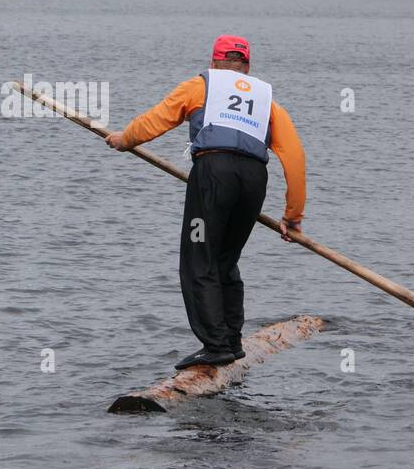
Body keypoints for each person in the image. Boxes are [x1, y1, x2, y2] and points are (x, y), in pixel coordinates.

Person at [105, 35, 306, 369]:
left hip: (214, 175)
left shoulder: (200, 86)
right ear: (248, 66)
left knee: (200, 257)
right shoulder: (267, 100)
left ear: (214, 63)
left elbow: (155, 121)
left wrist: (124, 140)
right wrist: (293, 215)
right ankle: (231, 340)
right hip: (254, 180)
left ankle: (215, 346)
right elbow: (295, 158)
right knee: (226, 259)